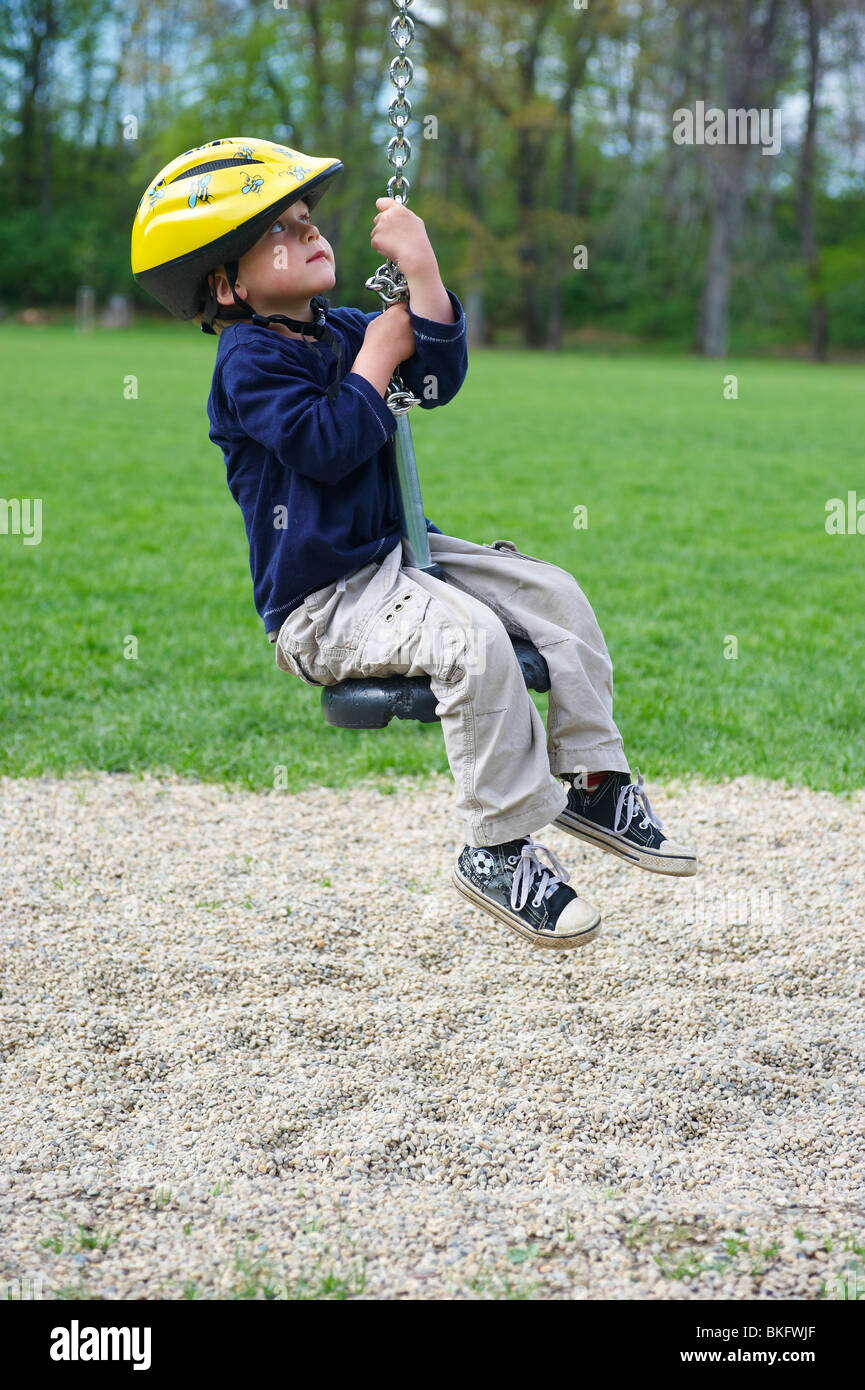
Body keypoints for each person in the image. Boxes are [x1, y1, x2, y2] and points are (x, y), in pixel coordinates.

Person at [131, 136, 697, 955]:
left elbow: (433, 381)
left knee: (553, 594)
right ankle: (496, 849)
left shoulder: (342, 329)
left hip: (397, 554)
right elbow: (325, 445)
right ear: (228, 283)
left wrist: (423, 275)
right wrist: (376, 360)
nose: (310, 232)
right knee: (468, 641)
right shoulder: (246, 360)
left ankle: (594, 781)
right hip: (322, 603)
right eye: (278, 231)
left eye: (306, 218)